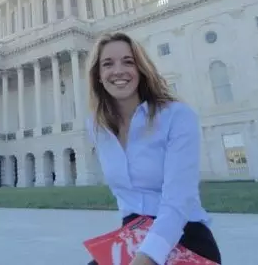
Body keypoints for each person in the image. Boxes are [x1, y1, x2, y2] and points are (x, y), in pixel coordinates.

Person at [85, 32, 221, 265]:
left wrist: (146, 256)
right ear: (98, 75)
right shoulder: (97, 126)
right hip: (132, 235)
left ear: (141, 69)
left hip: (184, 234)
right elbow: (125, 198)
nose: (118, 71)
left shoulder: (177, 116)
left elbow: (179, 199)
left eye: (128, 62)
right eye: (108, 64)